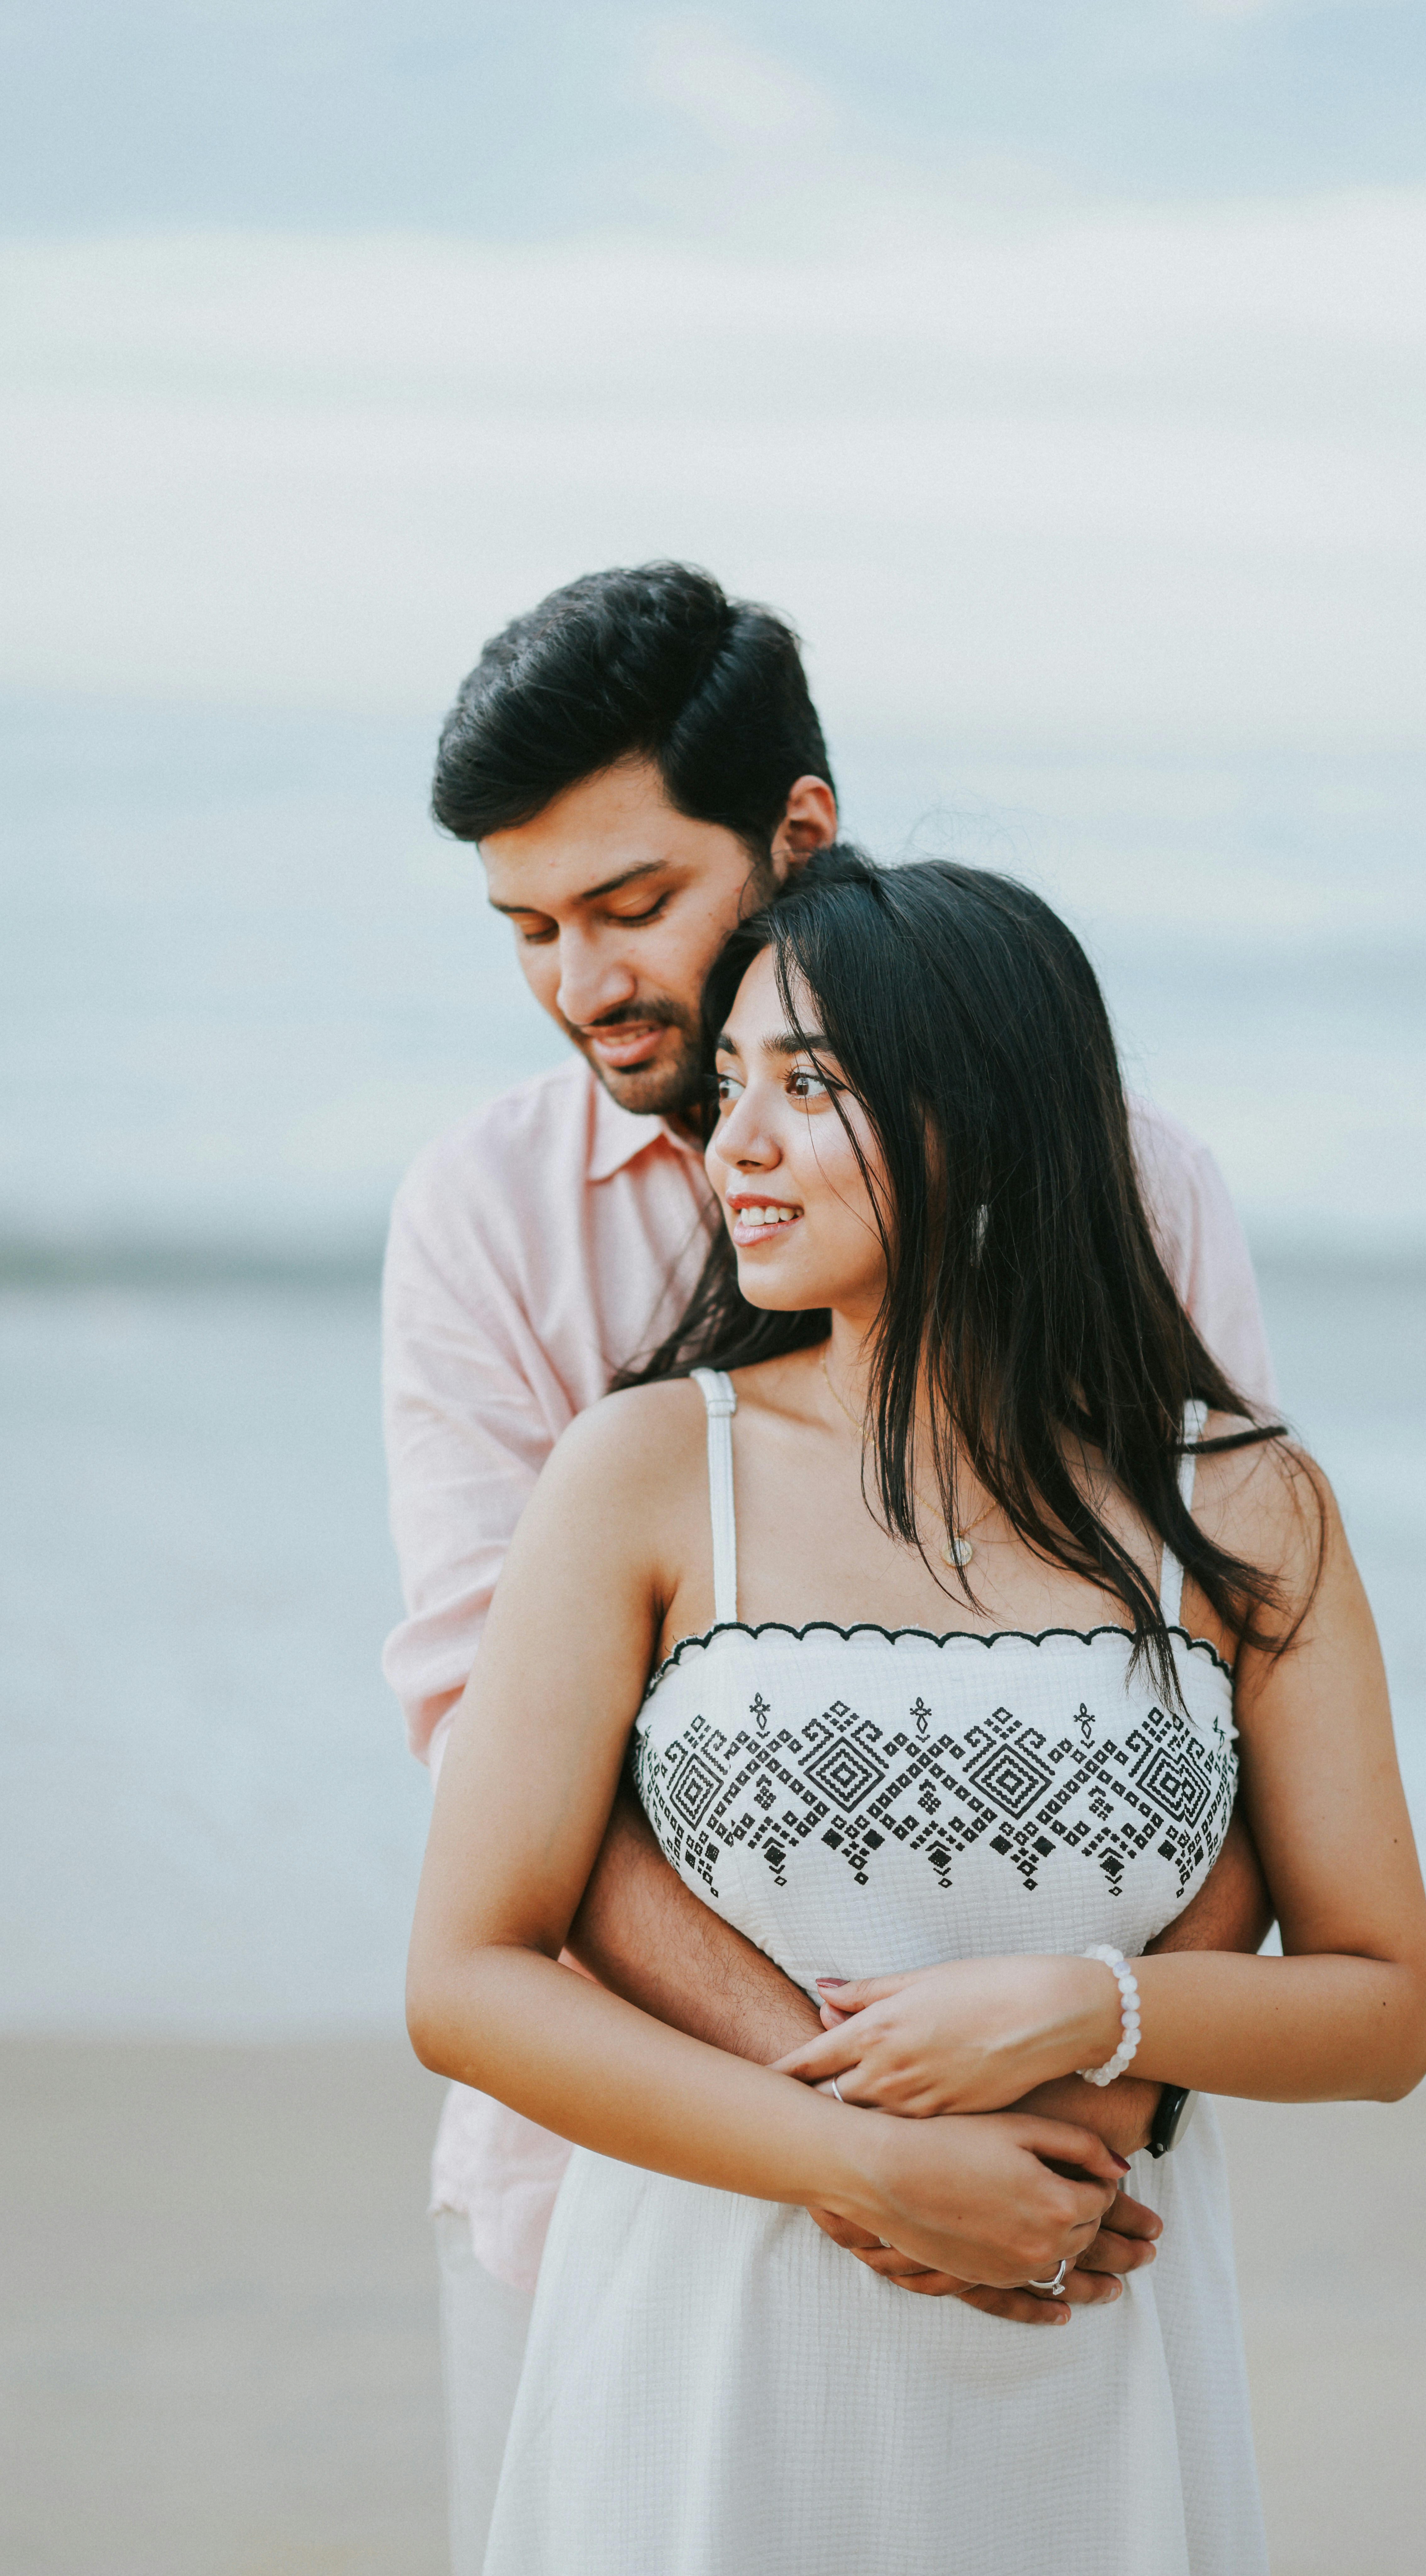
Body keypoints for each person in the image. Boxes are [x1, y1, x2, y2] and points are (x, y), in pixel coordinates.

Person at [382, 563, 1280, 2574]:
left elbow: (1216, 1690)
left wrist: (1073, 2126)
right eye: (528, 930)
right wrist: (868, 2136)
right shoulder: (491, 1218)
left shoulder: (1133, 1190)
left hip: (1059, 2215)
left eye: (631, 908)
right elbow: (493, 1762)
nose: (583, 983)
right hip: (607, 2180)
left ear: (798, 832)